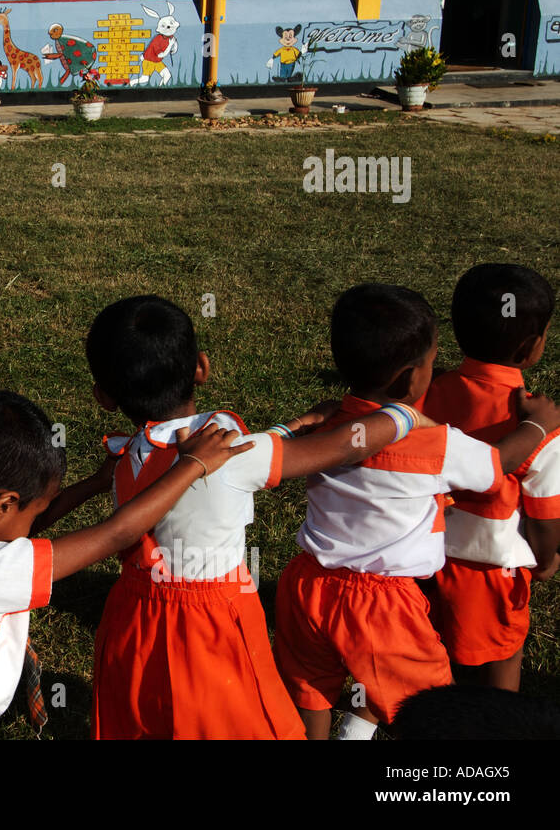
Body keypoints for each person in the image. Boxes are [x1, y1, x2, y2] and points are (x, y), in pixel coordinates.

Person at [86, 294, 446, 740]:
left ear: (104, 397)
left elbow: (257, 449)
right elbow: (342, 446)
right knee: (235, 720)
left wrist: (295, 424)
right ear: (201, 366)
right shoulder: (228, 449)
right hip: (210, 619)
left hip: (133, 612)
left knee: (148, 714)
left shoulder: (126, 455)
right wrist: (402, 414)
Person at [0, 390, 254, 739]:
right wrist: (190, 466)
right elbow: (116, 534)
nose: (34, 523)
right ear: (3, 505)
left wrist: (93, 484)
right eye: (34, 508)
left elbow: (20, 528)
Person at [274, 284, 560, 739]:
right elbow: (498, 464)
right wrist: (538, 424)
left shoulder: (329, 423)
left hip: (305, 583)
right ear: (411, 380)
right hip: (380, 603)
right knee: (431, 710)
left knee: (311, 690)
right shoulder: (432, 445)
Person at [419, 264, 560, 690]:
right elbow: (545, 516)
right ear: (532, 347)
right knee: (502, 657)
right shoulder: (540, 425)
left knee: (429, 646)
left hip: (420, 557)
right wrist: (547, 559)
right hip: (488, 575)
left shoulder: (426, 391)